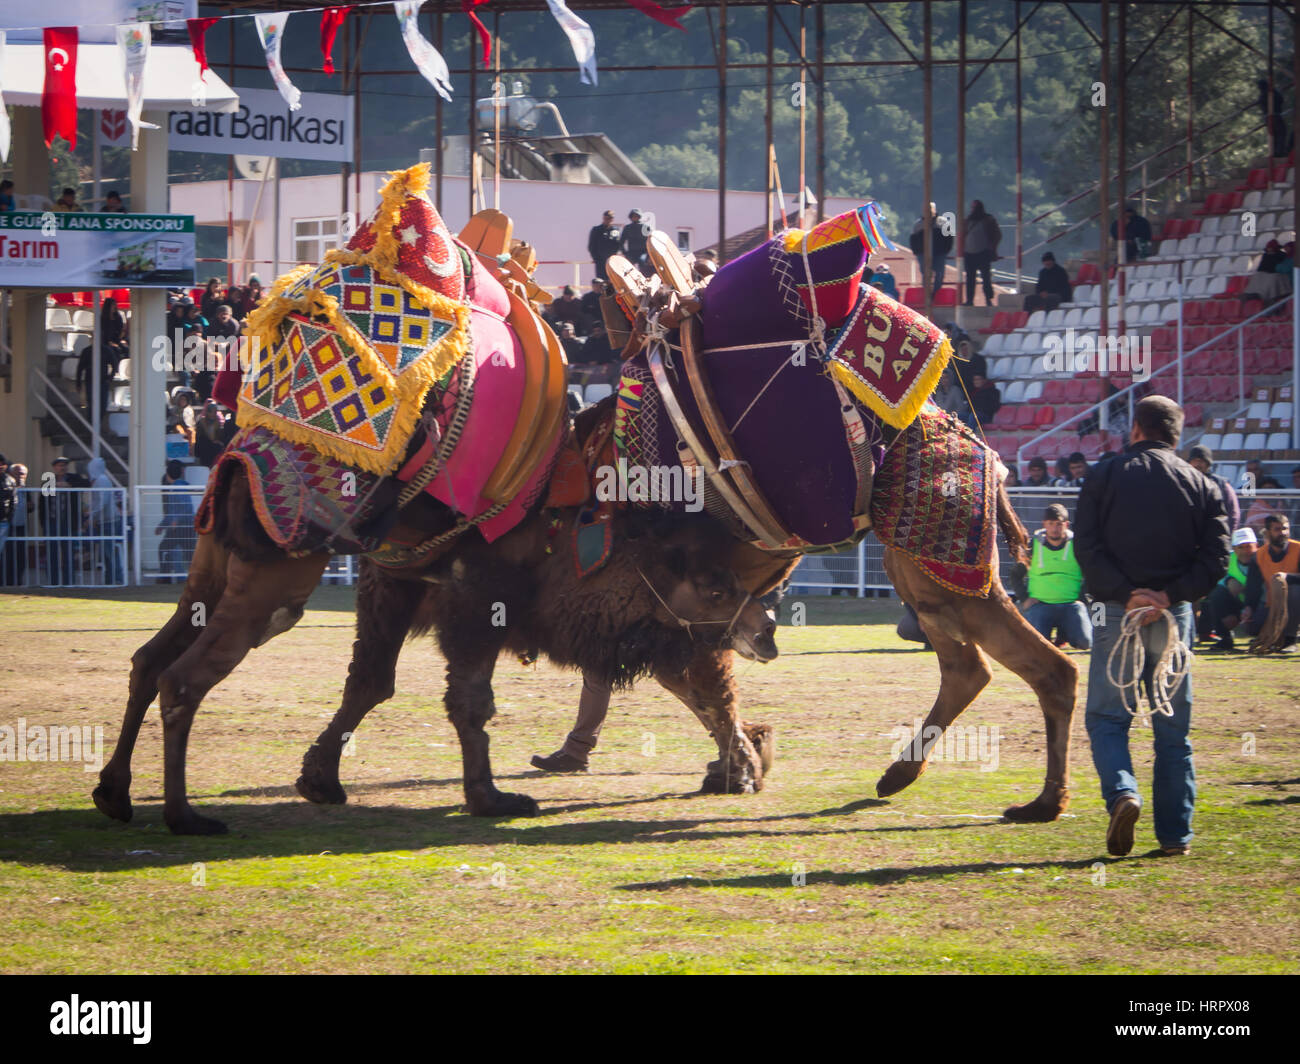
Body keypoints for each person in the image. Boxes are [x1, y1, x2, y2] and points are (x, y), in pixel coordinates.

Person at [1074, 395, 1229, 857]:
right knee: (1172, 729)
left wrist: (1126, 594)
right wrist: (1169, 595)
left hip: (1115, 614)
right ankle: (1174, 836)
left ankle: (1123, 793)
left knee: (1107, 717)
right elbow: (1216, 560)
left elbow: (1088, 547)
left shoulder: (1103, 475)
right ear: (1176, 435)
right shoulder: (1203, 485)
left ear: (1136, 429)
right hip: (1172, 616)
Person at [1016, 503, 1093, 650]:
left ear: (1066, 524)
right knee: (1035, 646)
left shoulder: (1078, 546)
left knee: (1086, 643)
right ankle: (1054, 633)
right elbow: (1015, 575)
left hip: (1071, 605)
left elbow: (1092, 574)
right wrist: (1024, 598)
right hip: (1040, 605)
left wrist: (1083, 597)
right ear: (1044, 524)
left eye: (1059, 524)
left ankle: (1064, 633)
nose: (1054, 528)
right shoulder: (1032, 547)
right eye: (1050, 524)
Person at [1242, 514, 1300, 652]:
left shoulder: (1298, 549)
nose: (1283, 533)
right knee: (1251, 627)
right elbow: (1253, 587)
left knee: (1294, 590)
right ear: (1268, 532)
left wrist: (1286, 577)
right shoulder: (1259, 556)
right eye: (1277, 529)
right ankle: (1274, 636)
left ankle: (1290, 640)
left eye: (1285, 529)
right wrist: (1249, 607)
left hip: (1296, 600)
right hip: (1273, 604)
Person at [1197, 526, 1258, 652]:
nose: (1246, 551)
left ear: (1256, 546)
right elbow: (1216, 580)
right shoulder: (1228, 559)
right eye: (1241, 547)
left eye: (1249, 546)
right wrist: (1228, 580)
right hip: (1238, 602)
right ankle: (1224, 637)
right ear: (1234, 549)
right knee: (1216, 594)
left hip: (1260, 603)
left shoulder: (1263, 558)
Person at [39, 457, 79, 586]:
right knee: (52, 553)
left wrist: (70, 486)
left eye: (64, 465)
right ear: (54, 467)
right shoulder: (48, 478)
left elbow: (85, 484)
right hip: (51, 521)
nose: (62, 468)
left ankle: (69, 582)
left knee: (68, 553)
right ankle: (52, 582)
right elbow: (42, 500)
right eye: (59, 465)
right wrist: (43, 523)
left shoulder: (73, 478)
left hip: (67, 522)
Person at [85, 456, 124, 585]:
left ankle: (116, 578)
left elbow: (102, 501)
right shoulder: (101, 480)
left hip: (109, 521)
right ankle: (111, 578)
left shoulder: (101, 480)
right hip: (105, 520)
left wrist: (92, 516)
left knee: (110, 552)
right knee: (108, 552)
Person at [1186, 445, 1240, 532]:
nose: (1197, 464)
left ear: (1208, 464)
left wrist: (1228, 533)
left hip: (1215, 535)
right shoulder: (1184, 482)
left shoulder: (1221, 485)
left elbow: (1233, 512)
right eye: (1194, 460)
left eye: (1201, 461)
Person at [156, 459, 194, 581]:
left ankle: (165, 577)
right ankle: (172, 577)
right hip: (185, 525)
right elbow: (173, 512)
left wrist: (175, 520)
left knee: (165, 548)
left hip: (182, 526)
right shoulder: (179, 486)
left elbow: (184, 507)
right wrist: (162, 525)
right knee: (188, 553)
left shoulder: (177, 487)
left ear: (167, 474)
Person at [908, 202, 953, 299]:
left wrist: (945, 250)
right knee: (925, 273)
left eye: (930, 209)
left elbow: (950, 238)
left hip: (939, 253)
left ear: (934, 209)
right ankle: (927, 295)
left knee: (940, 273)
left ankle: (935, 293)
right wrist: (917, 251)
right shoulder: (918, 224)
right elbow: (912, 239)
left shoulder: (943, 222)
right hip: (922, 253)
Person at [962, 200, 1000, 307]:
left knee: (986, 278)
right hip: (969, 253)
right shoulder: (968, 220)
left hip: (984, 252)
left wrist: (992, 248)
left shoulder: (989, 220)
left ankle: (988, 299)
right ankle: (970, 300)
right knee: (970, 279)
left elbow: (997, 235)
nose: (973, 209)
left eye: (975, 207)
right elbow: (962, 235)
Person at [1241, 239, 1292, 308]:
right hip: (1265, 274)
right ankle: (1253, 292)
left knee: (1272, 278)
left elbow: (1282, 268)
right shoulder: (1265, 255)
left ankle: (1269, 294)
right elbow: (1261, 267)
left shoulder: (1282, 255)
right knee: (1257, 276)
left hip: (1277, 275)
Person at [2, 461, 30, 585]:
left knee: (20, 556)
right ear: (11, 473)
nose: (21, 476)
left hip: (21, 526)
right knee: (6, 555)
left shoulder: (26, 489)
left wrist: (31, 506)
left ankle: (17, 581)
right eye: (18, 473)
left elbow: (31, 506)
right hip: (6, 525)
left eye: (23, 474)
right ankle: (5, 582)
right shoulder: (6, 485)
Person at [1257, 78, 1289, 158]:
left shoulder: (1261, 96)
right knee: (1281, 133)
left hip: (1267, 117)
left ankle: (1274, 152)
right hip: (1275, 115)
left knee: (1273, 135)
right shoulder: (1272, 93)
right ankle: (1279, 152)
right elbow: (1280, 99)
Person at [588, 210, 621, 278]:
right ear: (603, 218)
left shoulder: (616, 230)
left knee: (612, 280)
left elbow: (618, 245)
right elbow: (591, 246)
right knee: (601, 281)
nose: (608, 220)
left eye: (610, 218)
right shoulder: (596, 230)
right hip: (600, 260)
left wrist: (615, 258)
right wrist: (596, 258)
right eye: (606, 218)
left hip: (612, 261)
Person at [0, 454, 13, 559]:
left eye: (3, 464)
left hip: (3, 521)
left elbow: (14, 501)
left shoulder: (10, 480)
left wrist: (8, 518)